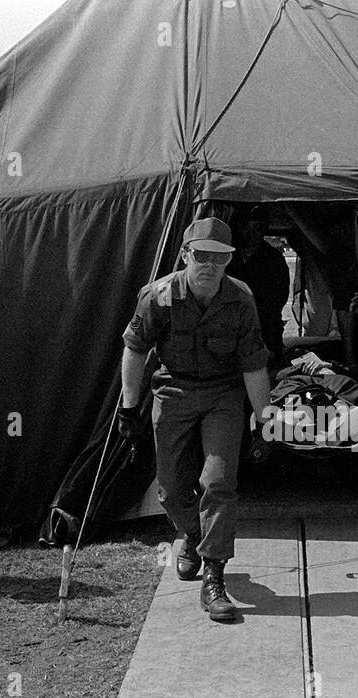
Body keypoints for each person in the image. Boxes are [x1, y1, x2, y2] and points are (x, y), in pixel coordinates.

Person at [118, 218, 272, 622]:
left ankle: (215, 576)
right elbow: (135, 349)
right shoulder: (158, 296)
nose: (209, 265)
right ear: (185, 254)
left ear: (229, 261)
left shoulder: (240, 300)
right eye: (201, 255)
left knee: (217, 482)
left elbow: (254, 364)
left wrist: (263, 419)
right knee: (170, 489)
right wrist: (130, 407)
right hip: (173, 391)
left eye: (219, 257)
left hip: (223, 394)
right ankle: (192, 533)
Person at [227, 207, 290, 370]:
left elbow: (277, 301)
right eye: (246, 227)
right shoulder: (226, 257)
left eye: (257, 228)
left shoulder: (273, 259)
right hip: (228, 333)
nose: (251, 233)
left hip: (264, 331)